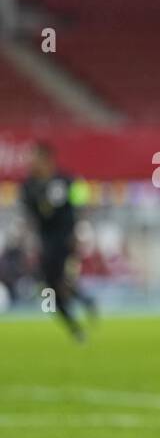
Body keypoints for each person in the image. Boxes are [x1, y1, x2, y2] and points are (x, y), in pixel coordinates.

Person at [21, 142, 96, 340]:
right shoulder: (28, 185)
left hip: (65, 240)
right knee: (50, 286)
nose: (32, 162)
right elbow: (30, 215)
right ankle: (82, 309)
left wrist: (76, 232)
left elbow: (79, 205)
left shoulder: (66, 180)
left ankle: (77, 326)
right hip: (45, 242)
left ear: (47, 159)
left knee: (58, 283)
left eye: (35, 157)